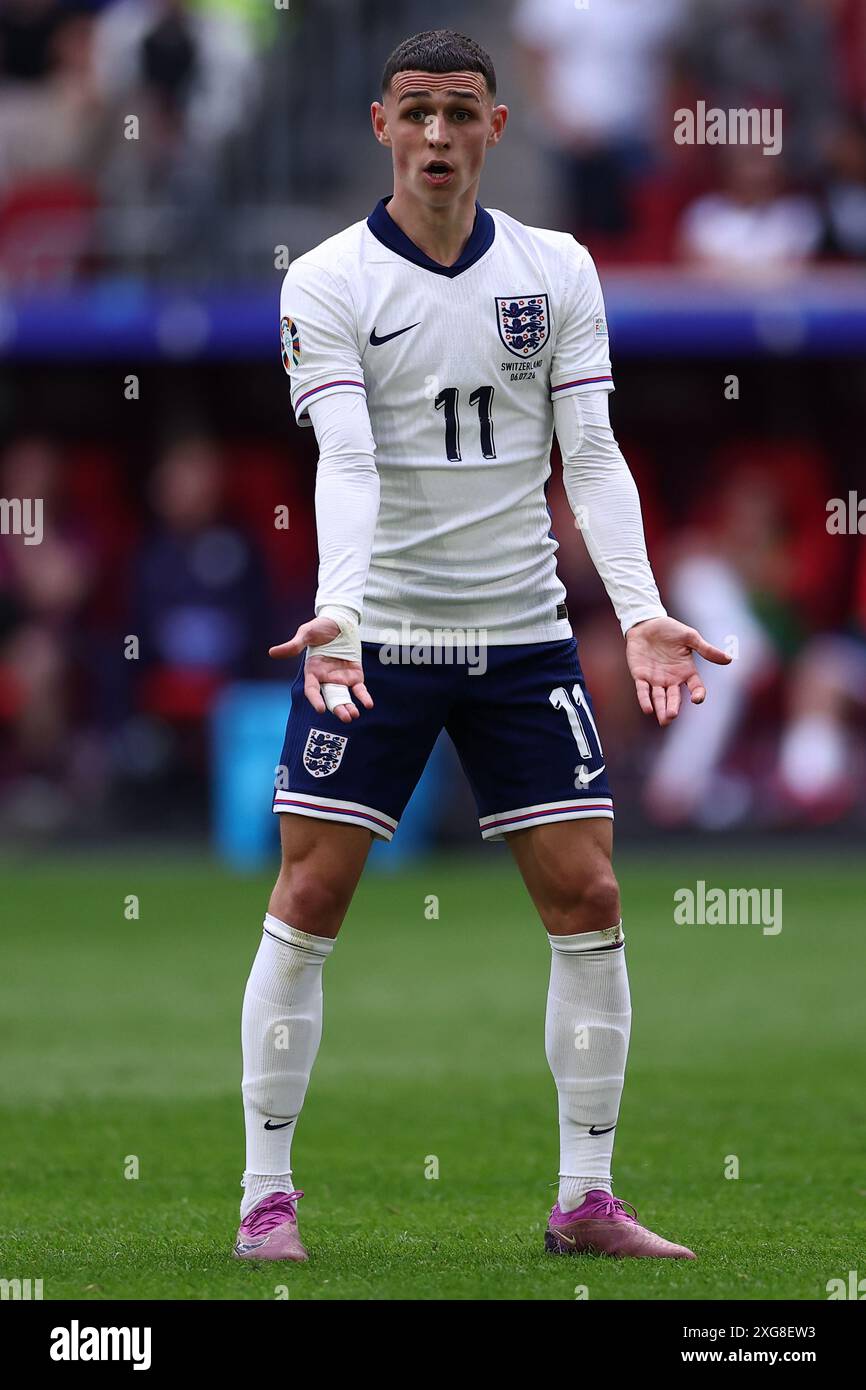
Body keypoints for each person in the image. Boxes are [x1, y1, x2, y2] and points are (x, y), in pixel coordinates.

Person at [233, 28, 729, 1265]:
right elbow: (342, 461)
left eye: (461, 112)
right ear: (379, 126)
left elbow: (593, 454)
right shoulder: (330, 280)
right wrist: (337, 611)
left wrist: (636, 603)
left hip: (518, 634)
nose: (438, 136)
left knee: (590, 895)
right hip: (380, 634)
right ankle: (265, 1195)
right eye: (416, 114)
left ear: (497, 128)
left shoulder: (557, 268)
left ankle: (584, 1199)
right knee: (310, 895)